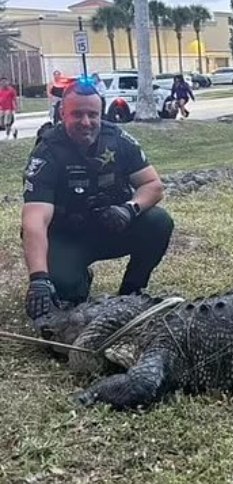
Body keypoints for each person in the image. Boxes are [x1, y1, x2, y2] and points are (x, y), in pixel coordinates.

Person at [20, 79, 174, 321]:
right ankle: (75, 278)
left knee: (158, 221)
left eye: (93, 114)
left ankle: (132, 292)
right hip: (65, 236)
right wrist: (39, 278)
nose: (86, 122)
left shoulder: (118, 139)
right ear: (62, 114)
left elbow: (153, 185)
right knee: (66, 292)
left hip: (110, 226)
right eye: (77, 114)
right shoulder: (48, 152)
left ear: (101, 113)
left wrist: (129, 209)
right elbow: (34, 219)